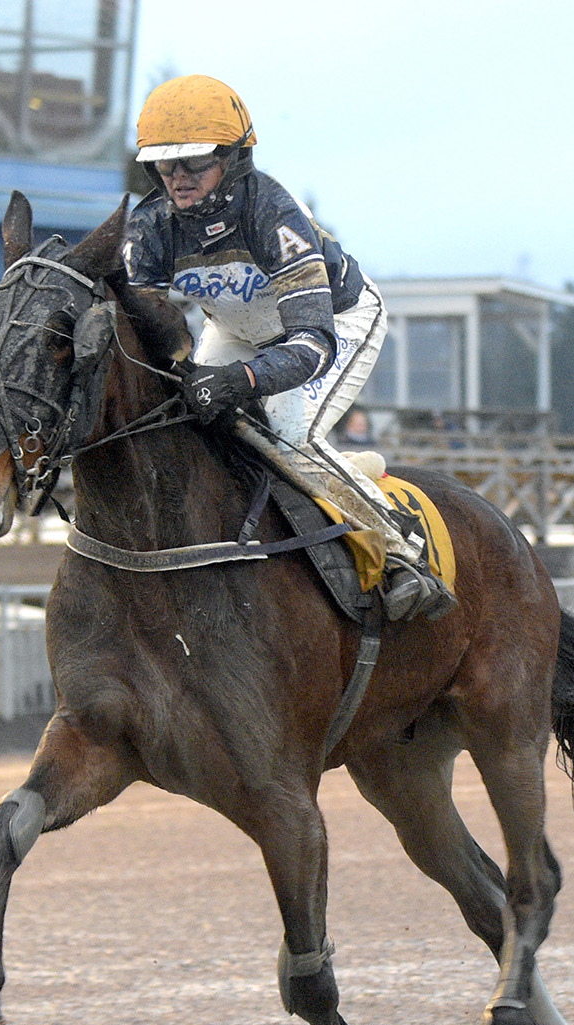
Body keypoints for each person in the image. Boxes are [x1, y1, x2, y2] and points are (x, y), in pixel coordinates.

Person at [122, 74, 453, 622]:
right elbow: (138, 326)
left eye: (194, 164)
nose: (177, 179)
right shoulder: (151, 227)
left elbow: (310, 344)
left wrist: (239, 381)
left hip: (333, 322)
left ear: (233, 158)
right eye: (164, 164)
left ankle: (401, 552)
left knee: (290, 435)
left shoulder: (273, 215)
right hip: (238, 328)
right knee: (184, 418)